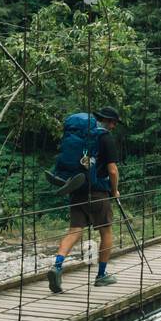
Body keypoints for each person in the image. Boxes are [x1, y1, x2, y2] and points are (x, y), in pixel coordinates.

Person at [48, 105, 121, 293]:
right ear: (109, 121)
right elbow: (112, 170)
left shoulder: (81, 134)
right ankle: (102, 275)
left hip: (77, 188)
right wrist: (115, 190)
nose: (113, 126)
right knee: (106, 231)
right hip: (98, 191)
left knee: (74, 231)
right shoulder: (104, 137)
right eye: (113, 123)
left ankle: (56, 266)